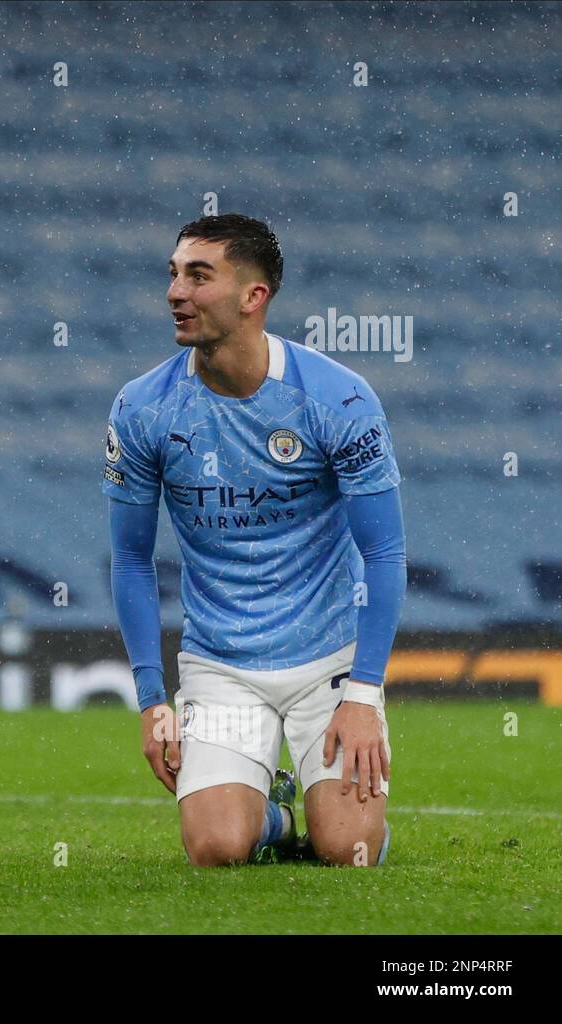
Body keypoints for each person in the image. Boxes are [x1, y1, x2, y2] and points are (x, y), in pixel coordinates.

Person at [104, 214, 405, 867]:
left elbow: (383, 553)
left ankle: (345, 814)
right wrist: (153, 699)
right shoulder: (142, 409)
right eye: (174, 273)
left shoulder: (338, 401)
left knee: (348, 848)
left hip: (330, 660)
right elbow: (130, 557)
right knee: (216, 849)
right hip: (219, 663)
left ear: (253, 297)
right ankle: (275, 812)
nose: (175, 292)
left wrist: (363, 692)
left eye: (199, 276)